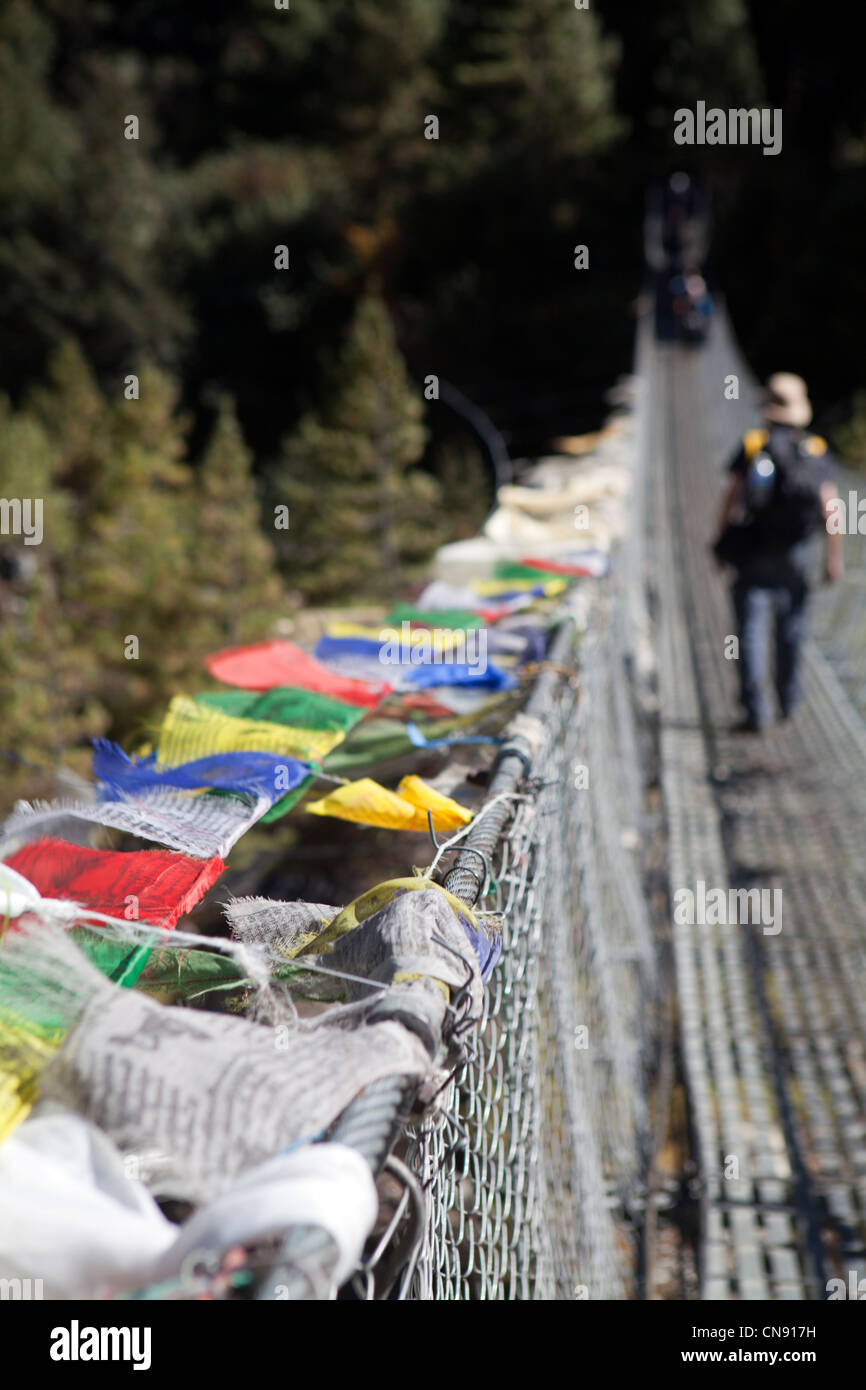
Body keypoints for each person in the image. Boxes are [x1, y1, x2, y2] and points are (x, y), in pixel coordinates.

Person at [713, 373, 843, 732]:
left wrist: (721, 543)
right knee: (792, 629)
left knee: (749, 631)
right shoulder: (815, 450)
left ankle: (756, 711)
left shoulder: (754, 443)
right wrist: (833, 558)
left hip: (754, 548)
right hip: (797, 553)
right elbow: (831, 509)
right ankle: (789, 703)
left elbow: (731, 497)